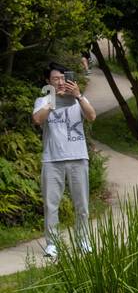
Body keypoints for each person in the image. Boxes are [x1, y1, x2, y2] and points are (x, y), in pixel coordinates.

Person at [31, 62, 95, 259]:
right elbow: (37, 120)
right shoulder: (42, 101)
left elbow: (91, 116)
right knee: (51, 204)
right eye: (55, 79)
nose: (60, 82)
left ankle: (83, 241)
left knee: (82, 204)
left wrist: (78, 95)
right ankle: (52, 244)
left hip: (78, 157)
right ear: (47, 81)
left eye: (62, 78)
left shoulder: (78, 99)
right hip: (52, 159)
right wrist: (52, 102)